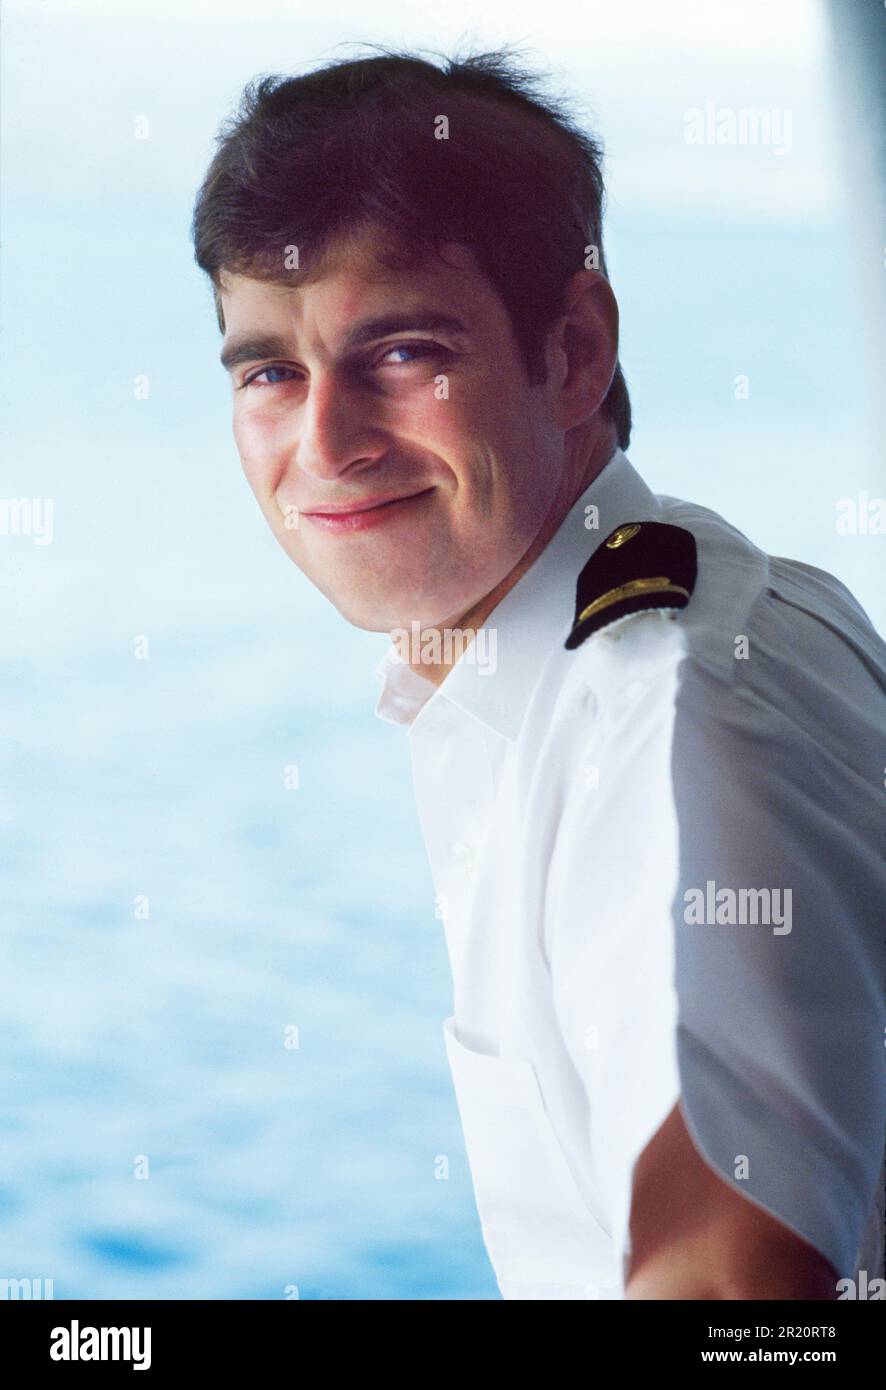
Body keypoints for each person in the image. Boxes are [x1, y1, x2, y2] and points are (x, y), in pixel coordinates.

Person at [191, 47, 886, 1300]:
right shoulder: (626, 640)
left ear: (572, 351)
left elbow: (732, 1292)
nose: (327, 444)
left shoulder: (667, 710)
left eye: (400, 352)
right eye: (271, 372)